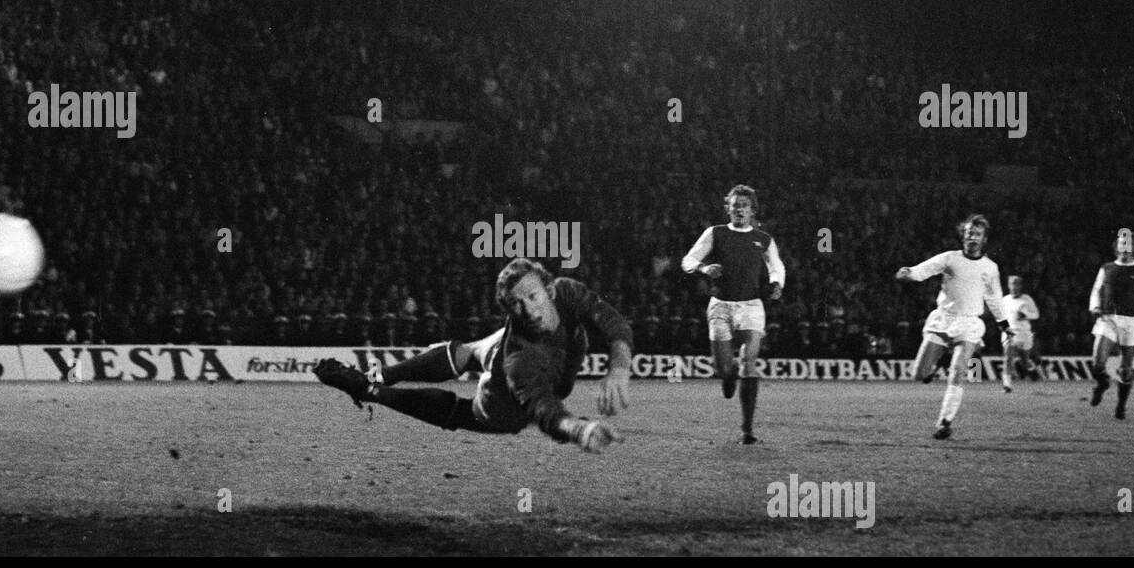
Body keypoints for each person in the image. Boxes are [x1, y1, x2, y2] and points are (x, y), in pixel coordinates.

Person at [313, 258, 633, 453]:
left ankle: (382, 374)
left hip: (523, 356)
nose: (528, 309)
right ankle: (375, 391)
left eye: (533, 296)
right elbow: (543, 409)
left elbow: (611, 321)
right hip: (504, 397)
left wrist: (618, 367)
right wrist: (578, 430)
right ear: (508, 311)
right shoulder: (519, 359)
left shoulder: (567, 292)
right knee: (478, 414)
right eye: (516, 305)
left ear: (549, 291)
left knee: (471, 350)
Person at [681, 184, 785, 445]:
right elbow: (688, 260)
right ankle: (729, 374)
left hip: (751, 306)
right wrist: (705, 269)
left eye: (745, 206)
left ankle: (747, 430)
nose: (740, 209)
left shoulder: (763, 239)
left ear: (752, 211)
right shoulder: (715, 233)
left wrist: (776, 284)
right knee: (724, 369)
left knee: (750, 361)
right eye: (735, 205)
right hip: (721, 306)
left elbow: (777, 266)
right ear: (727, 208)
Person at [895, 214, 1013, 439]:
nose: (972, 237)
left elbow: (995, 298)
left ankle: (944, 422)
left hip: (968, 323)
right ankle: (940, 362)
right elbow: (925, 269)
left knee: (959, 372)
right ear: (963, 235)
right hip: (943, 319)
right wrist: (908, 272)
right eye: (969, 233)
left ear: (984, 239)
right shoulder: (950, 258)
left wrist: (1004, 324)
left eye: (977, 234)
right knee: (918, 374)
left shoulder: (990, 268)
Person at [1088, 229, 1134, 419]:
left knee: (1126, 368)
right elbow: (1096, 289)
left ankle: (1121, 406)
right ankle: (1103, 383)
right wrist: (1095, 307)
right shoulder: (1106, 268)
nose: (1125, 248)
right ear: (1116, 247)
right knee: (1098, 362)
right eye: (1122, 244)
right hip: (1108, 319)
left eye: (1128, 244)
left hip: (1131, 323)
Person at [999, 275, 1042, 392]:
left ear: (1021, 285)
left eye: (1017, 283)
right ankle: (1007, 385)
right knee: (1008, 357)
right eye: (1012, 283)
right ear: (1008, 285)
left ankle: (1032, 371)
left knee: (1024, 360)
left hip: (1024, 334)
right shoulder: (1004, 300)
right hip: (1010, 332)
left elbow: (1036, 314)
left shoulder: (1027, 299)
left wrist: (1025, 315)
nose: (1015, 286)